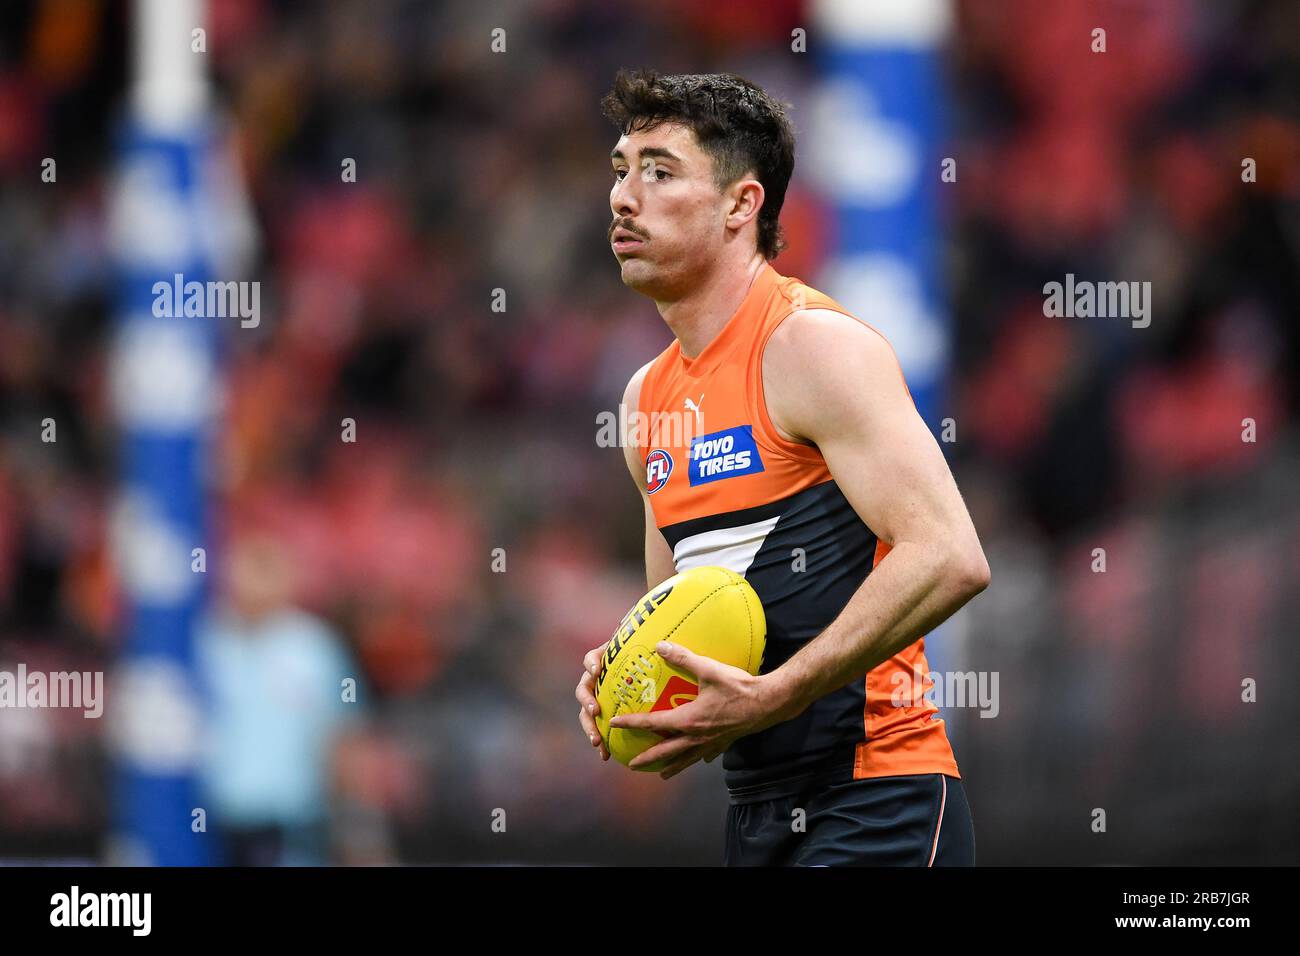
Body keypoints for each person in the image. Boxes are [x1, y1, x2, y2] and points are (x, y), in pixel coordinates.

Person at [575, 70, 990, 866]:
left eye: (660, 171)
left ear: (742, 204)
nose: (625, 197)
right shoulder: (644, 400)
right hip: (755, 813)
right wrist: (623, 671)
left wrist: (777, 693)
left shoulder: (813, 348)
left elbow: (950, 556)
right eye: (621, 170)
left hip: (878, 798)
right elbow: (684, 614)